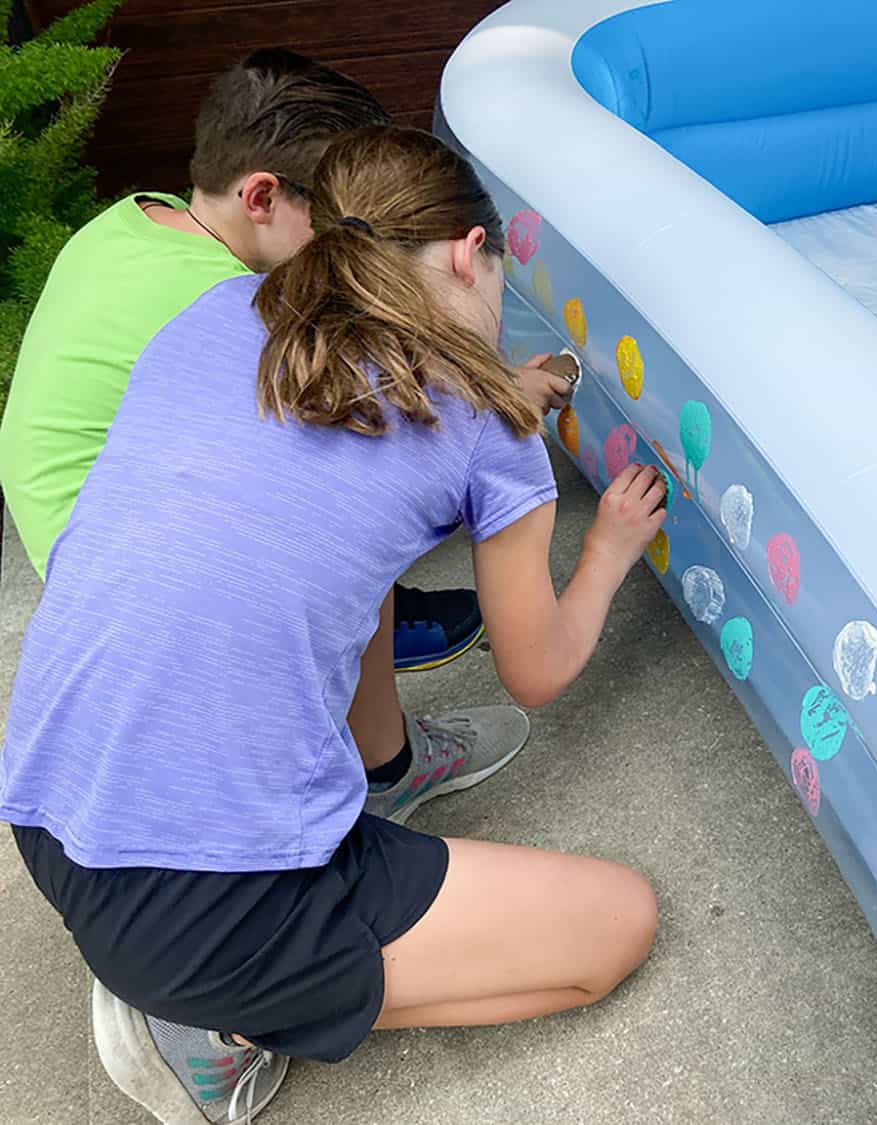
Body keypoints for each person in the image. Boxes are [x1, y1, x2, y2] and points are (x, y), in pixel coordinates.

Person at [1, 124, 664, 1124]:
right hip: (207, 909)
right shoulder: (493, 441)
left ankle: (385, 775)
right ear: (468, 253)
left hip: (50, 809)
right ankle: (214, 1023)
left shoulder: (218, 314)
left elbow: (358, 441)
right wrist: (607, 550)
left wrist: (499, 398)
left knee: (337, 579)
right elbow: (537, 670)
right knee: (618, 928)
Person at [0, 49, 572, 686]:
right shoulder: (226, 302)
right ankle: (351, 686)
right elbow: (356, 409)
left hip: (99, 527)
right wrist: (492, 398)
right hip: (136, 556)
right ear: (263, 196)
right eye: (335, 224)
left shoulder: (140, 217)